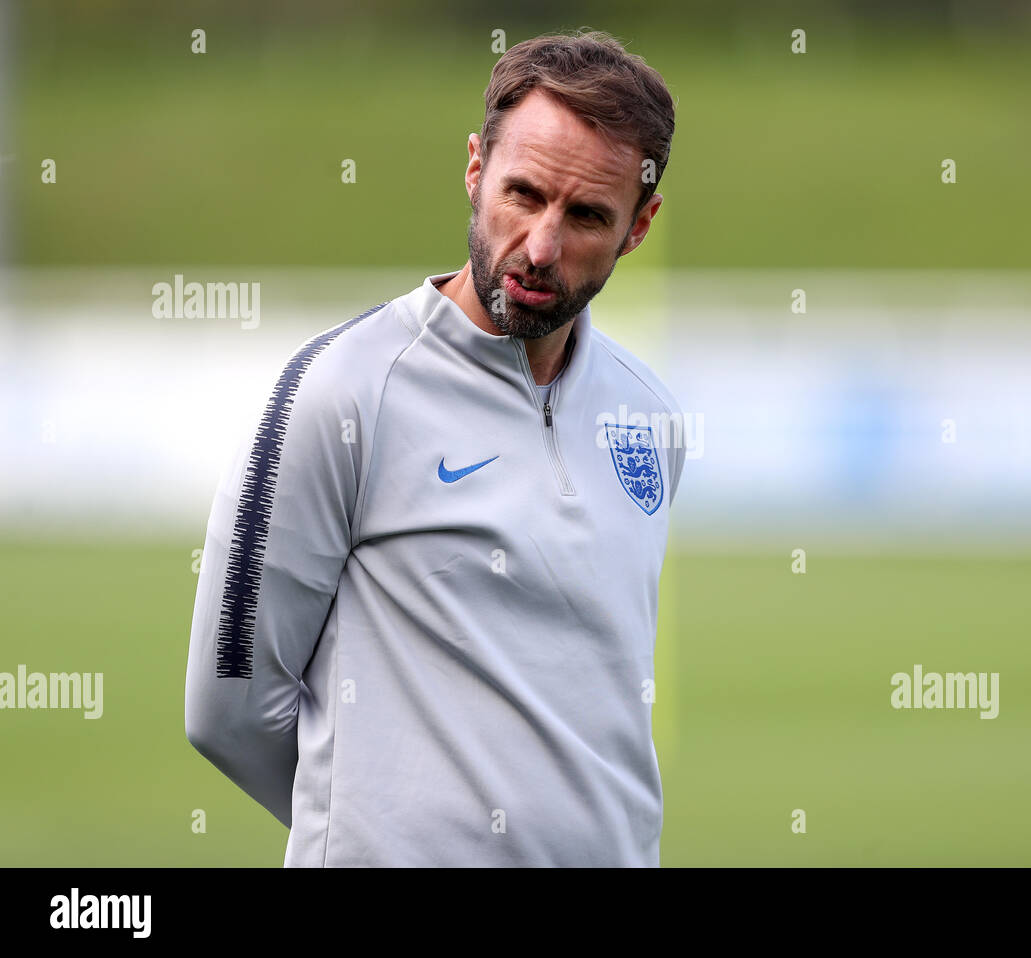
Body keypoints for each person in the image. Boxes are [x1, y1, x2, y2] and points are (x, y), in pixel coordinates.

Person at [184, 29, 685, 866]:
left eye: (588, 215)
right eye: (523, 194)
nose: (541, 246)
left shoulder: (650, 418)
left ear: (639, 227)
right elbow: (227, 708)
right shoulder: (345, 391)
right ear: (475, 170)